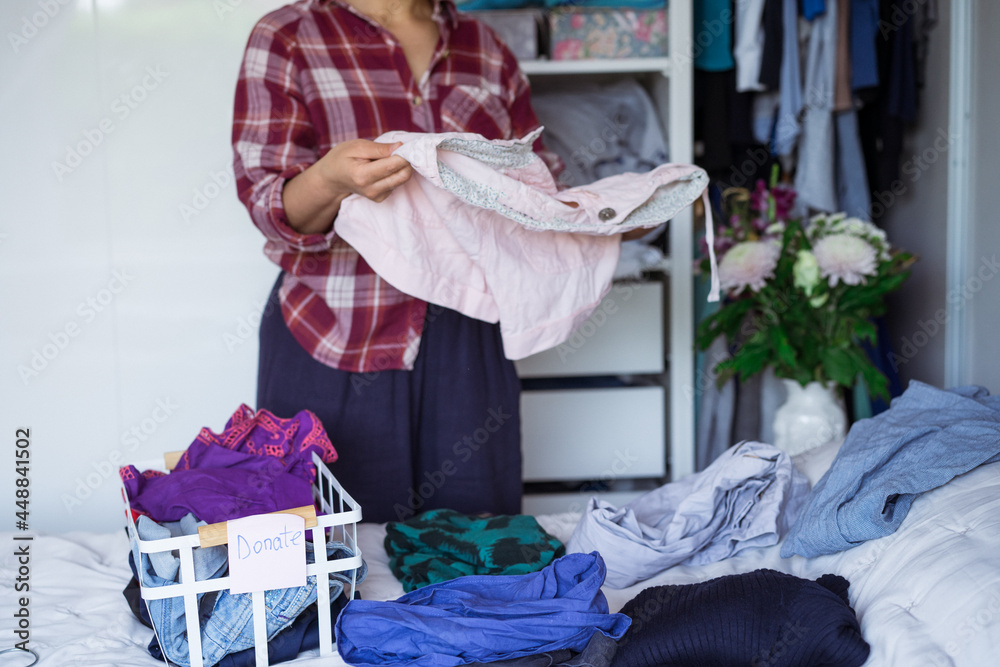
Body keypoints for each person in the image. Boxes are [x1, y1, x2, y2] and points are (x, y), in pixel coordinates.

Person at [232, 0, 646, 523]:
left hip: (468, 343)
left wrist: (611, 219)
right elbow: (270, 208)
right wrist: (331, 179)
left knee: (474, 557)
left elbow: (531, 198)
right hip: (335, 332)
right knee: (332, 566)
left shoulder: (486, 51)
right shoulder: (289, 36)